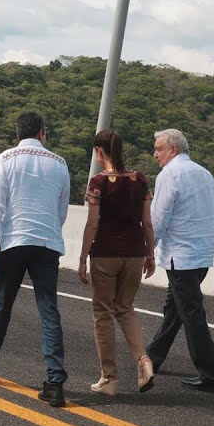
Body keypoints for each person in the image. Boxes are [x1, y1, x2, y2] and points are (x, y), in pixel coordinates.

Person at [0, 111, 71, 407]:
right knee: (49, 310)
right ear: (42, 133)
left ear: (18, 133)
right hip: (47, 243)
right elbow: (62, 211)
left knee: (2, 304)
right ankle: (55, 381)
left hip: (13, 241)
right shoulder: (60, 164)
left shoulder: (5, 159)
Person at [144, 128, 214, 394]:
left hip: (180, 255)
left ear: (173, 150)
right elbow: (212, 215)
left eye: (159, 148)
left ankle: (212, 373)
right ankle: (153, 357)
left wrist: (147, 252)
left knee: (191, 314)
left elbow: (158, 219)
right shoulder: (204, 174)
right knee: (176, 309)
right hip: (200, 254)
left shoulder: (169, 174)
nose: (155, 154)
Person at [77, 129, 157, 395]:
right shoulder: (140, 179)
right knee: (125, 307)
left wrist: (81, 258)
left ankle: (109, 378)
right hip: (135, 253)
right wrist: (150, 254)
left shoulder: (98, 182)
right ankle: (143, 360)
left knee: (103, 314)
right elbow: (147, 222)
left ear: (100, 151)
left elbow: (92, 224)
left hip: (105, 254)